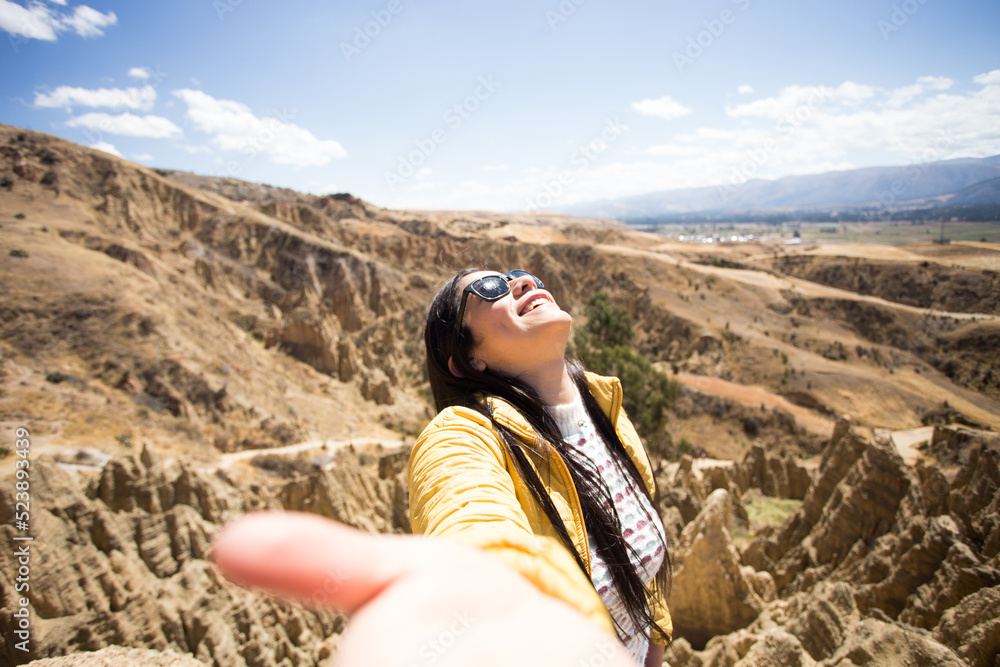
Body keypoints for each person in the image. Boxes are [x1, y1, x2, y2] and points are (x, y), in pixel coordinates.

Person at [409, 268, 671, 666]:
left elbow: (643, 586)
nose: (525, 283)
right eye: (492, 287)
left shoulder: (605, 408)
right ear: (467, 360)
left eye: (522, 275)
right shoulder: (462, 435)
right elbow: (471, 529)